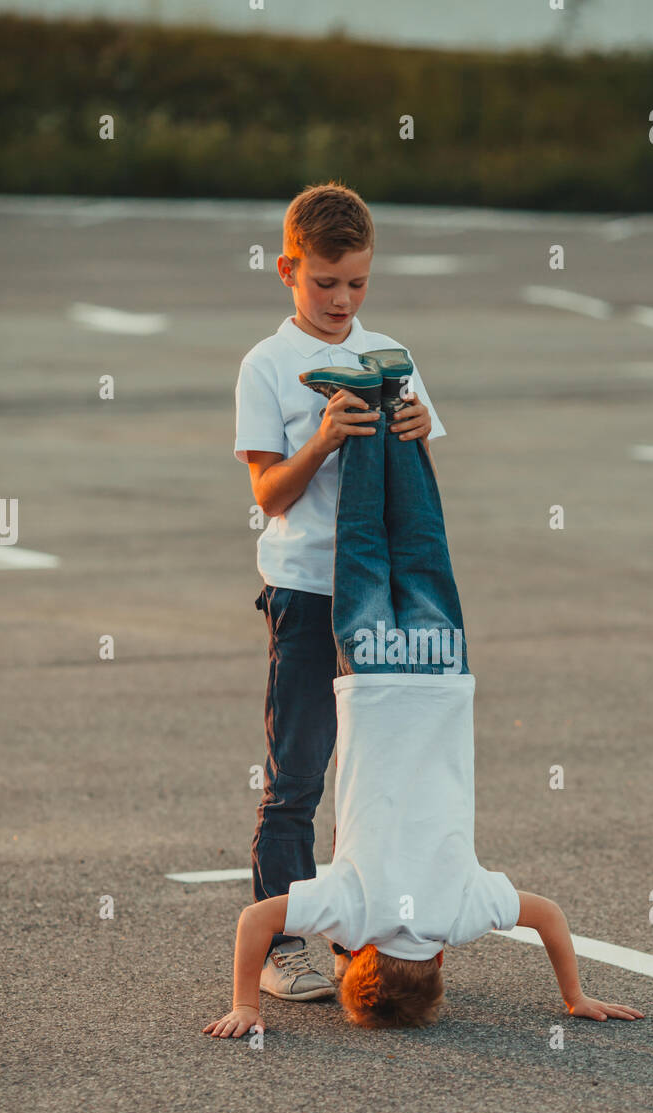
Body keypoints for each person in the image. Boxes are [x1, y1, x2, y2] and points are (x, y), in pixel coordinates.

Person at [206, 358, 645, 1037]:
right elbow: (255, 919)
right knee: (362, 542)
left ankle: (395, 397)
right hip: (374, 680)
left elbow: (549, 915)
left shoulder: (459, 913)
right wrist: (244, 1004)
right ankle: (361, 405)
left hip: (442, 678)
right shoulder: (357, 914)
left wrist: (575, 997)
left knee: (421, 544)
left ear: (440, 960)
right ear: (361, 959)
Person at [233, 181, 445, 1002]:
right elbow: (267, 495)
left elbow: (419, 488)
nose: (342, 300)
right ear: (288, 268)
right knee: (298, 775)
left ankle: (369, 931)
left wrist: (422, 431)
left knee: (381, 769)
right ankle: (281, 942)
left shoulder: (390, 349)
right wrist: (321, 440)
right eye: (325, 283)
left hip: (384, 591)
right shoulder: (267, 365)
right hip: (307, 591)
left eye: (357, 283)